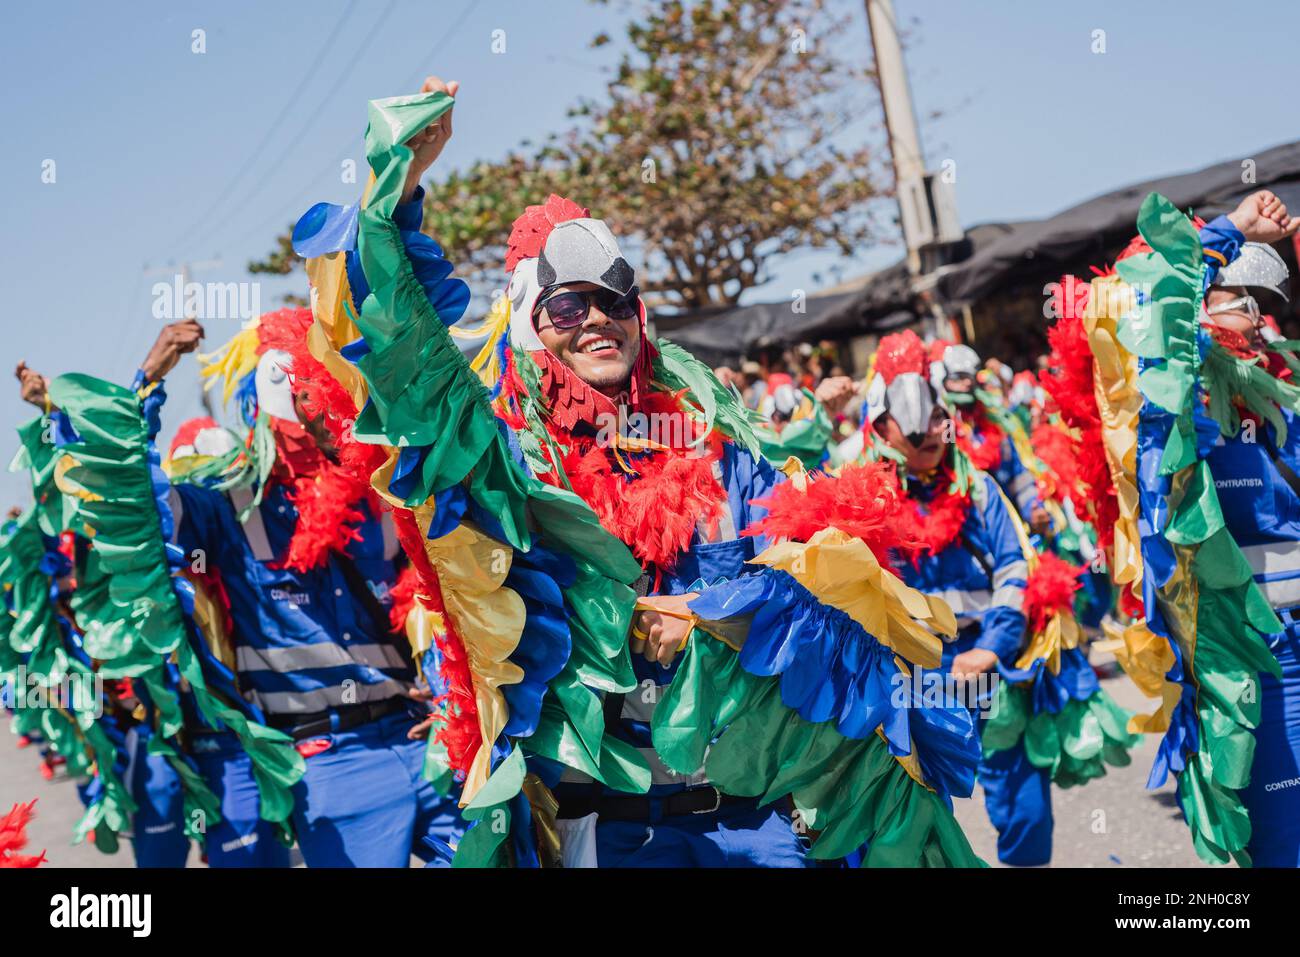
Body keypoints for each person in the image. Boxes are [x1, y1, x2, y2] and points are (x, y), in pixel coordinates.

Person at [287, 75, 984, 867]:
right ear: (529, 326)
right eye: (567, 306)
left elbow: (824, 578)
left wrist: (709, 608)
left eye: (617, 298)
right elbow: (406, 362)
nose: (598, 320)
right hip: (609, 829)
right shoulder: (509, 466)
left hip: (752, 820)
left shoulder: (719, 443)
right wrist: (399, 187)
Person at [857, 329, 1137, 866]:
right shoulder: (865, 498)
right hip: (909, 675)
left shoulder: (980, 488)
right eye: (914, 436)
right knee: (916, 817)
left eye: (935, 427)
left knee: (1024, 807)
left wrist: (992, 645)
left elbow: (1014, 568)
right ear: (882, 429)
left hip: (990, 663)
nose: (929, 441)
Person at [1101, 188, 1300, 866]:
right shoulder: (1179, 406)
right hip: (1253, 659)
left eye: (1267, 305)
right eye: (1236, 296)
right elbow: (1158, 317)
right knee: (1279, 840)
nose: (1253, 317)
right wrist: (1226, 234)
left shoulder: (1286, 396)